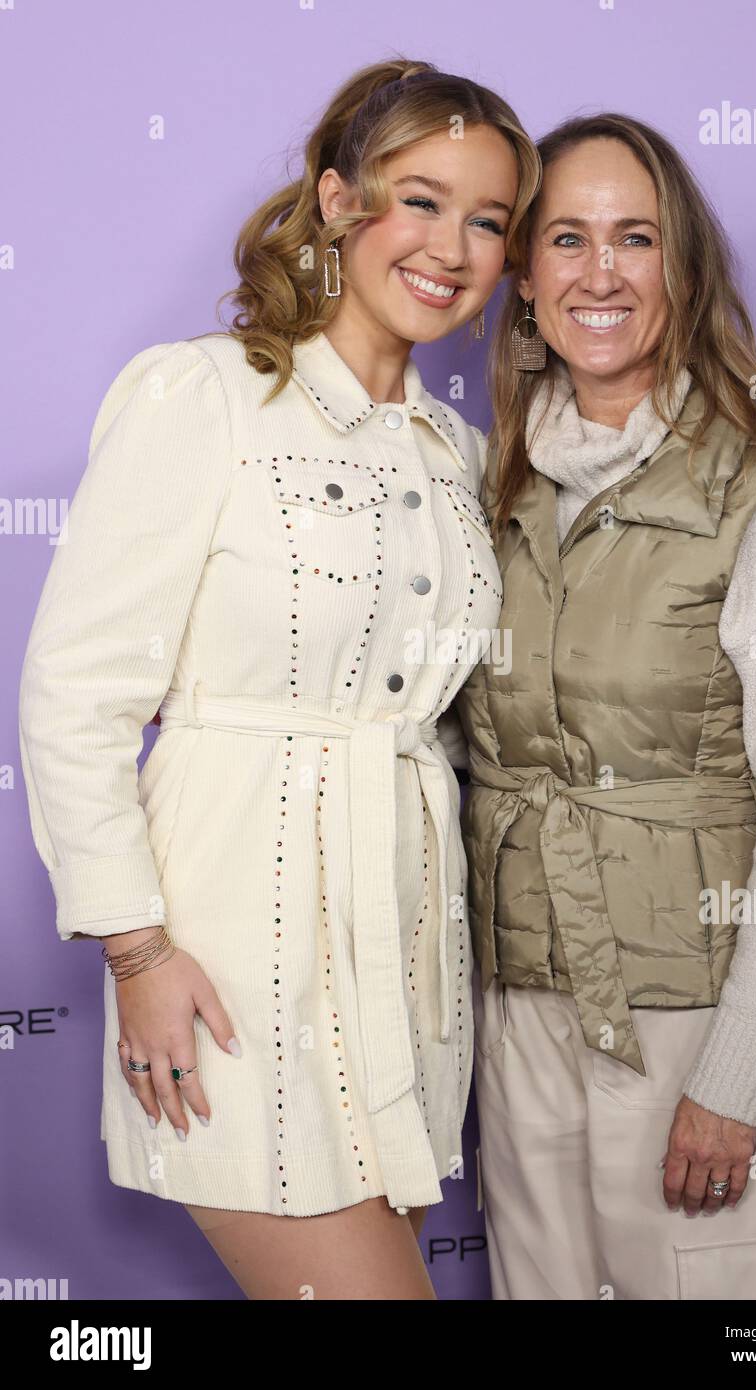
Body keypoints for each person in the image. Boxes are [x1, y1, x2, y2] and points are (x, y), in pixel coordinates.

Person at [17, 57, 540, 1301]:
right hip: (232, 961)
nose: (452, 246)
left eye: (487, 220)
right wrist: (138, 955)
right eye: (419, 199)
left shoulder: (457, 455)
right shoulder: (204, 393)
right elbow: (75, 695)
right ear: (337, 200)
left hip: (409, 958)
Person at [454, 113, 756, 1300]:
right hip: (521, 1006)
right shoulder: (486, 485)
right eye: (566, 240)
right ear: (525, 282)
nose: (598, 273)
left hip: (687, 1012)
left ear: (679, 268)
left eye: (632, 238)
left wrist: (733, 1075)